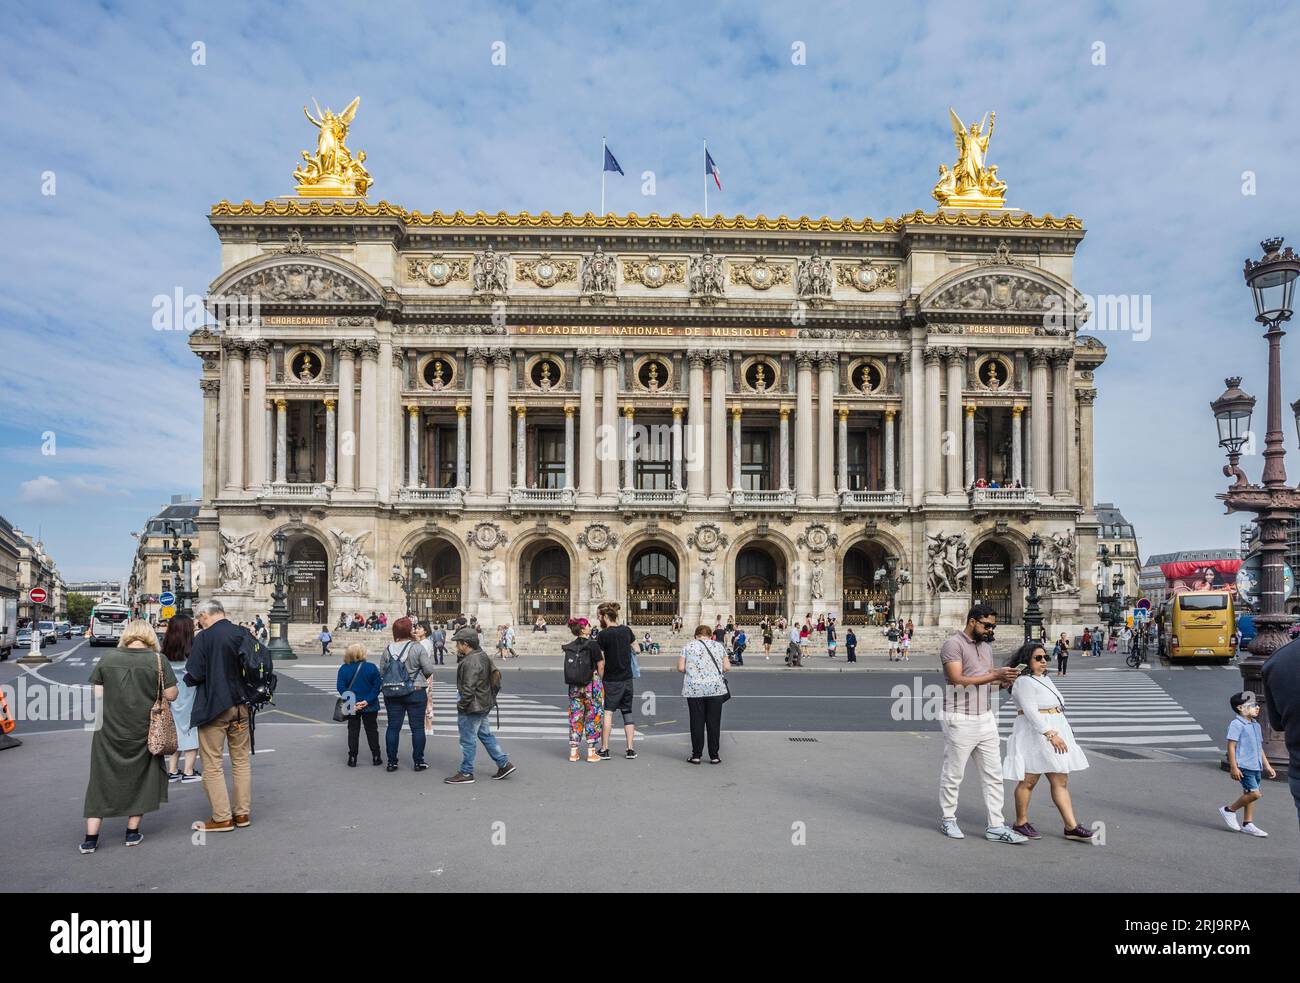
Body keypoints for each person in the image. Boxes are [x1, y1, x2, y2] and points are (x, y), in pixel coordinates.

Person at [80, 619, 179, 853]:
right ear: (150, 636)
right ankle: (132, 833)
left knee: (101, 780)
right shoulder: (158, 660)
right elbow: (171, 695)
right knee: (142, 779)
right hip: (145, 730)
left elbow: (98, 694)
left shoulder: (108, 658)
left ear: (126, 634)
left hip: (109, 731)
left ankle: (90, 839)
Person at [938, 603, 1026, 843]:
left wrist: (1003, 682)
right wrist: (995, 675)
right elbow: (957, 679)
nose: (990, 630)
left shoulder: (986, 647)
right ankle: (948, 819)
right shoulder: (952, 645)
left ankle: (996, 826)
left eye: (993, 626)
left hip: (985, 716)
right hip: (959, 716)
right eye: (987, 625)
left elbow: (984, 682)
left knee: (994, 774)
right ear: (972, 621)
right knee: (954, 773)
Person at [1002, 641, 1094, 842]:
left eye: (1045, 657)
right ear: (1027, 660)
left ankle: (1071, 826)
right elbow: (1031, 712)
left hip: (1054, 728)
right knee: (1029, 780)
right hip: (1035, 733)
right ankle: (1020, 822)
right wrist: (1051, 734)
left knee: (1060, 780)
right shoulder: (1023, 681)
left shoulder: (1042, 678)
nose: (1044, 661)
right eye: (1038, 658)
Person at [187, 600, 253, 834]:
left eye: (199, 618)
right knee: (241, 761)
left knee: (213, 763)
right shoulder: (243, 632)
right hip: (242, 706)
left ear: (205, 615)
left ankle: (222, 818)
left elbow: (194, 673)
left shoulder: (204, 638)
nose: (198, 622)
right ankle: (242, 813)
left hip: (215, 706)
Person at [444, 626, 515, 784]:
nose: (457, 647)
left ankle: (466, 772)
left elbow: (468, 688)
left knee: (467, 740)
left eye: (458, 643)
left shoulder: (470, 661)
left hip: (472, 706)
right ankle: (503, 763)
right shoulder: (482, 655)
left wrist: (461, 706)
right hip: (483, 703)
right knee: (485, 735)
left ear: (466, 644)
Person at [379, 616, 435, 772]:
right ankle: (418, 761)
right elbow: (429, 670)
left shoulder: (388, 649)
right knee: (417, 728)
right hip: (415, 691)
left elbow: (382, 671)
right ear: (409, 630)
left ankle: (392, 762)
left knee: (393, 727)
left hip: (393, 692)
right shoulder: (417, 647)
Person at [1219, 691, 1276, 837]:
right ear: (1240, 708)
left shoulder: (1255, 725)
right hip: (1244, 766)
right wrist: (1234, 767)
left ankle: (1248, 823)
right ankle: (1229, 810)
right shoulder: (1237, 724)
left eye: (1257, 705)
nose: (1257, 707)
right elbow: (1231, 746)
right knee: (1254, 794)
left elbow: (1259, 747)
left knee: (1249, 793)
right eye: (1252, 705)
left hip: (1255, 765)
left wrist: (1267, 765)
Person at [678, 624, 730, 764]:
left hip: (694, 689)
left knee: (696, 722)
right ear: (711, 635)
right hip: (715, 689)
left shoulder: (688, 647)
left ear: (696, 635)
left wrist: (693, 672)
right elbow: (727, 667)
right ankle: (714, 755)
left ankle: (696, 755)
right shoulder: (719, 646)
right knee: (714, 723)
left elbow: (681, 667)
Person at [595, 601, 639, 760]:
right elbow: (638, 649)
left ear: (606, 616)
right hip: (627, 678)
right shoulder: (627, 631)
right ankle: (630, 749)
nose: (600, 619)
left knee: (608, 713)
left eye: (600, 617)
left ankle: (605, 749)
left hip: (611, 679)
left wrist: (602, 678)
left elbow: (600, 662)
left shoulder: (603, 635)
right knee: (628, 712)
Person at [162, 615, 200, 784]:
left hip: (171, 691)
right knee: (191, 728)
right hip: (190, 692)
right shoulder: (194, 648)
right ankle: (188, 771)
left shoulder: (164, 649)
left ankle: (172, 770)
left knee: (175, 729)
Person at [563, 618, 605, 762]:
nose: (589, 627)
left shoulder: (570, 646)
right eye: (587, 625)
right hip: (591, 685)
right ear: (583, 629)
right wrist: (601, 681)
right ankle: (591, 752)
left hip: (574, 686)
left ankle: (573, 752)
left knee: (575, 717)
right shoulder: (593, 645)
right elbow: (600, 666)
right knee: (593, 717)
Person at [337, 642, 382, 767]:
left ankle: (352, 757)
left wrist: (353, 702)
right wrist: (367, 700)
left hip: (351, 703)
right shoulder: (371, 667)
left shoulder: (344, 668)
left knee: (353, 730)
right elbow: (377, 687)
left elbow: (341, 687)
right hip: (370, 704)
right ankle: (376, 756)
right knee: (372, 730)